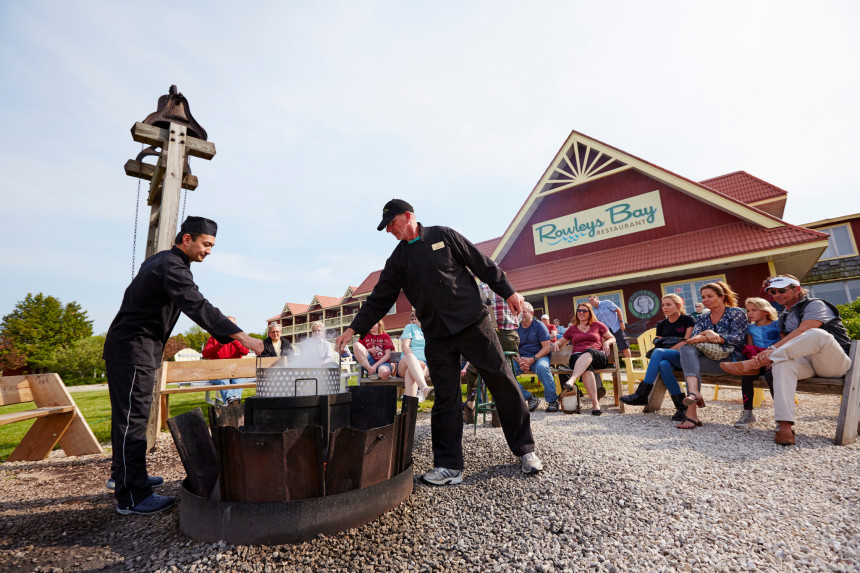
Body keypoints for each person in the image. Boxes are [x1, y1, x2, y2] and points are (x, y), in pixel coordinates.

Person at [335, 199, 541, 484]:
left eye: (392, 223)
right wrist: (352, 330)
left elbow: (481, 263)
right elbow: (379, 299)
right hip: (437, 334)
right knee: (445, 397)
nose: (389, 230)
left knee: (502, 381)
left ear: (408, 216)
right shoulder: (397, 260)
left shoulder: (443, 235)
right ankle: (448, 466)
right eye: (386, 227)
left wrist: (509, 292)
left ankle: (526, 450)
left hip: (473, 323)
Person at [102, 216, 263, 515]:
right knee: (133, 420)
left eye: (212, 246)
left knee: (129, 417)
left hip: (132, 348)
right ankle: (132, 496)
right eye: (206, 244)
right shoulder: (171, 266)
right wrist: (243, 338)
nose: (209, 251)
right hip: (134, 348)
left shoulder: (163, 261)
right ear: (187, 239)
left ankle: (125, 476)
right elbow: (198, 305)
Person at [720, 275, 851, 445]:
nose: (777, 294)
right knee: (781, 365)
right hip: (805, 363)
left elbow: (804, 330)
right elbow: (786, 343)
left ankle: (753, 363)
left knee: (817, 334)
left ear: (797, 289)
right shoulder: (783, 317)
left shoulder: (815, 305)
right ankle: (784, 427)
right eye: (773, 292)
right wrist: (773, 357)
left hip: (832, 363)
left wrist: (770, 351)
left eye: (782, 290)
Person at [675, 281, 747, 429]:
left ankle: (691, 413)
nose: (705, 299)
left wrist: (712, 337)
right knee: (687, 350)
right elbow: (693, 339)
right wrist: (707, 332)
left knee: (690, 365)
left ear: (722, 297)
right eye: (703, 297)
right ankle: (694, 395)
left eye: (710, 296)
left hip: (730, 360)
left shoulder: (735, 313)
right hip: (708, 359)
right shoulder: (702, 318)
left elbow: (738, 339)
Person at [620, 294, 695, 422]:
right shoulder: (661, 324)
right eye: (663, 305)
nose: (665, 308)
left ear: (678, 306)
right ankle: (681, 408)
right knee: (663, 365)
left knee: (659, 352)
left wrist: (669, 350)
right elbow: (660, 343)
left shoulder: (688, 319)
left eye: (669, 304)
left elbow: (687, 341)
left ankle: (641, 394)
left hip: (684, 357)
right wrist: (666, 351)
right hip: (668, 358)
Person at [460, 281, 520, 422]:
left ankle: (470, 406)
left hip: (485, 335)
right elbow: (519, 312)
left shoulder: (476, 289)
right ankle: (497, 410)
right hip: (509, 338)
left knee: (474, 368)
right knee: (501, 369)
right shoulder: (509, 286)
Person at [553, 302, 616, 416]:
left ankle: (572, 380)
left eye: (584, 311)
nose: (581, 313)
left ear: (590, 313)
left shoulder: (598, 325)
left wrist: (607, 342)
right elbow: (561, 341)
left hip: (597, 356)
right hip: (577, 358)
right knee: (587, 369)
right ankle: (596, 405)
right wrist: (556, 343)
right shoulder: (572, 328)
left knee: (589, 351)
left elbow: (612, 338)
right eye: (579, 310)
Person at [730, 297, 781, 428]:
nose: (750, 313)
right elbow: (750, 348)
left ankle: (781, 416)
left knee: (771, 375)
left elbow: (783, 344)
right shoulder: (750, 329)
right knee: (746, 375)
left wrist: (772, 359)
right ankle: (747, 412)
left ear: (765, 311)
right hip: (757, 359)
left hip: (774, 359)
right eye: (748, 310)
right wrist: (756, 360)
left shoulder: (777, 325)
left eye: (754, 310)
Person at [513, 302, 559, 412]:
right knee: (505, 372)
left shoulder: (539, 326)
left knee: (543, 367)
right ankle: (529, 397)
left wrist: (532, 359)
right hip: (521, 359)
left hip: (539, 357)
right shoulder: (515, 327)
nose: (521, 314)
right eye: (518, 312)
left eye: (523, 312)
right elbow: (513, 349)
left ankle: (552, 401)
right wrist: (520, 361)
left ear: (532, 313)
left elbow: (546, 348)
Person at [202, 316, 250, 405]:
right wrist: (219, 345)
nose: (231, 327)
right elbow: (205, 354)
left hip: (235, 372)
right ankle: (232, 403)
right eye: (229, 324)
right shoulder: (214, 338)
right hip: (217, 372)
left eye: (233, 325)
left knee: (240, 378)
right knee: (223, 379)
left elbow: (246, 351)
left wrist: (234, 342)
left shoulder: (240, 338)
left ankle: (231, 402)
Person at [588, 295, 631, 367]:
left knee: (624, 346)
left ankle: (629, 365)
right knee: (608, 347)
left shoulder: (606, 303)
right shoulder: (594, 312)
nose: (591, 302)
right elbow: (597, 323)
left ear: (597, 298)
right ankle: (614, 366)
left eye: (592, 299)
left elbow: (618, 310)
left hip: (616, 327)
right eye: (590, 301)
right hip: (607, 332)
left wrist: (621, 322)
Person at [399, 312, 433, 401]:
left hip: (425, 364)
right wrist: (416, 361)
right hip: (405, 362)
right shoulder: (409, 327)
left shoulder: (431, 329)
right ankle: (424, 388)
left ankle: (409, 408)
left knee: (410, 372)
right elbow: (405, 347)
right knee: (410, 357)